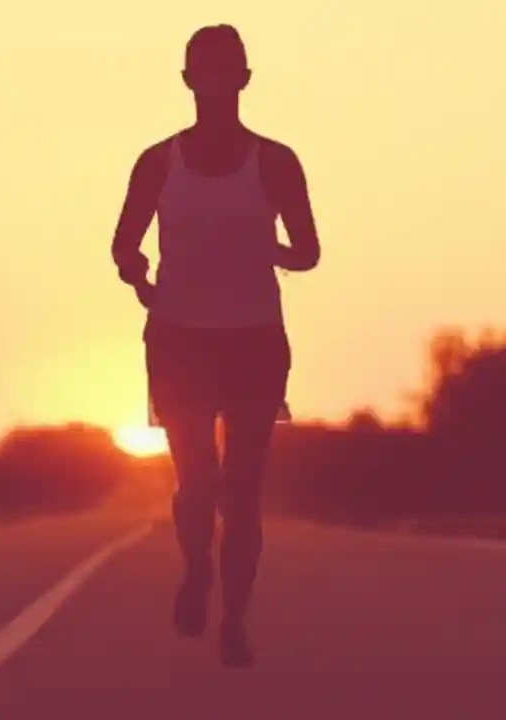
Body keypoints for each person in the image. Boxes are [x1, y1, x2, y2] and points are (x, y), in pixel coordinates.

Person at [109, 24, 320, 668]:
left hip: (255, 341)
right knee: (197, 482)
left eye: (227, 70)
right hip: (178, 341)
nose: (216, 82)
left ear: (245, 80)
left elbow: (308, 251)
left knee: (243, 488)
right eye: (205, 70)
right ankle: (197, 567)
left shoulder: (276, 161)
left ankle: (235, 620)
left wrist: (271, 250)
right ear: (188, 80)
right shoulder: (156, 162)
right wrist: (141, 277)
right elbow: (123, 244)